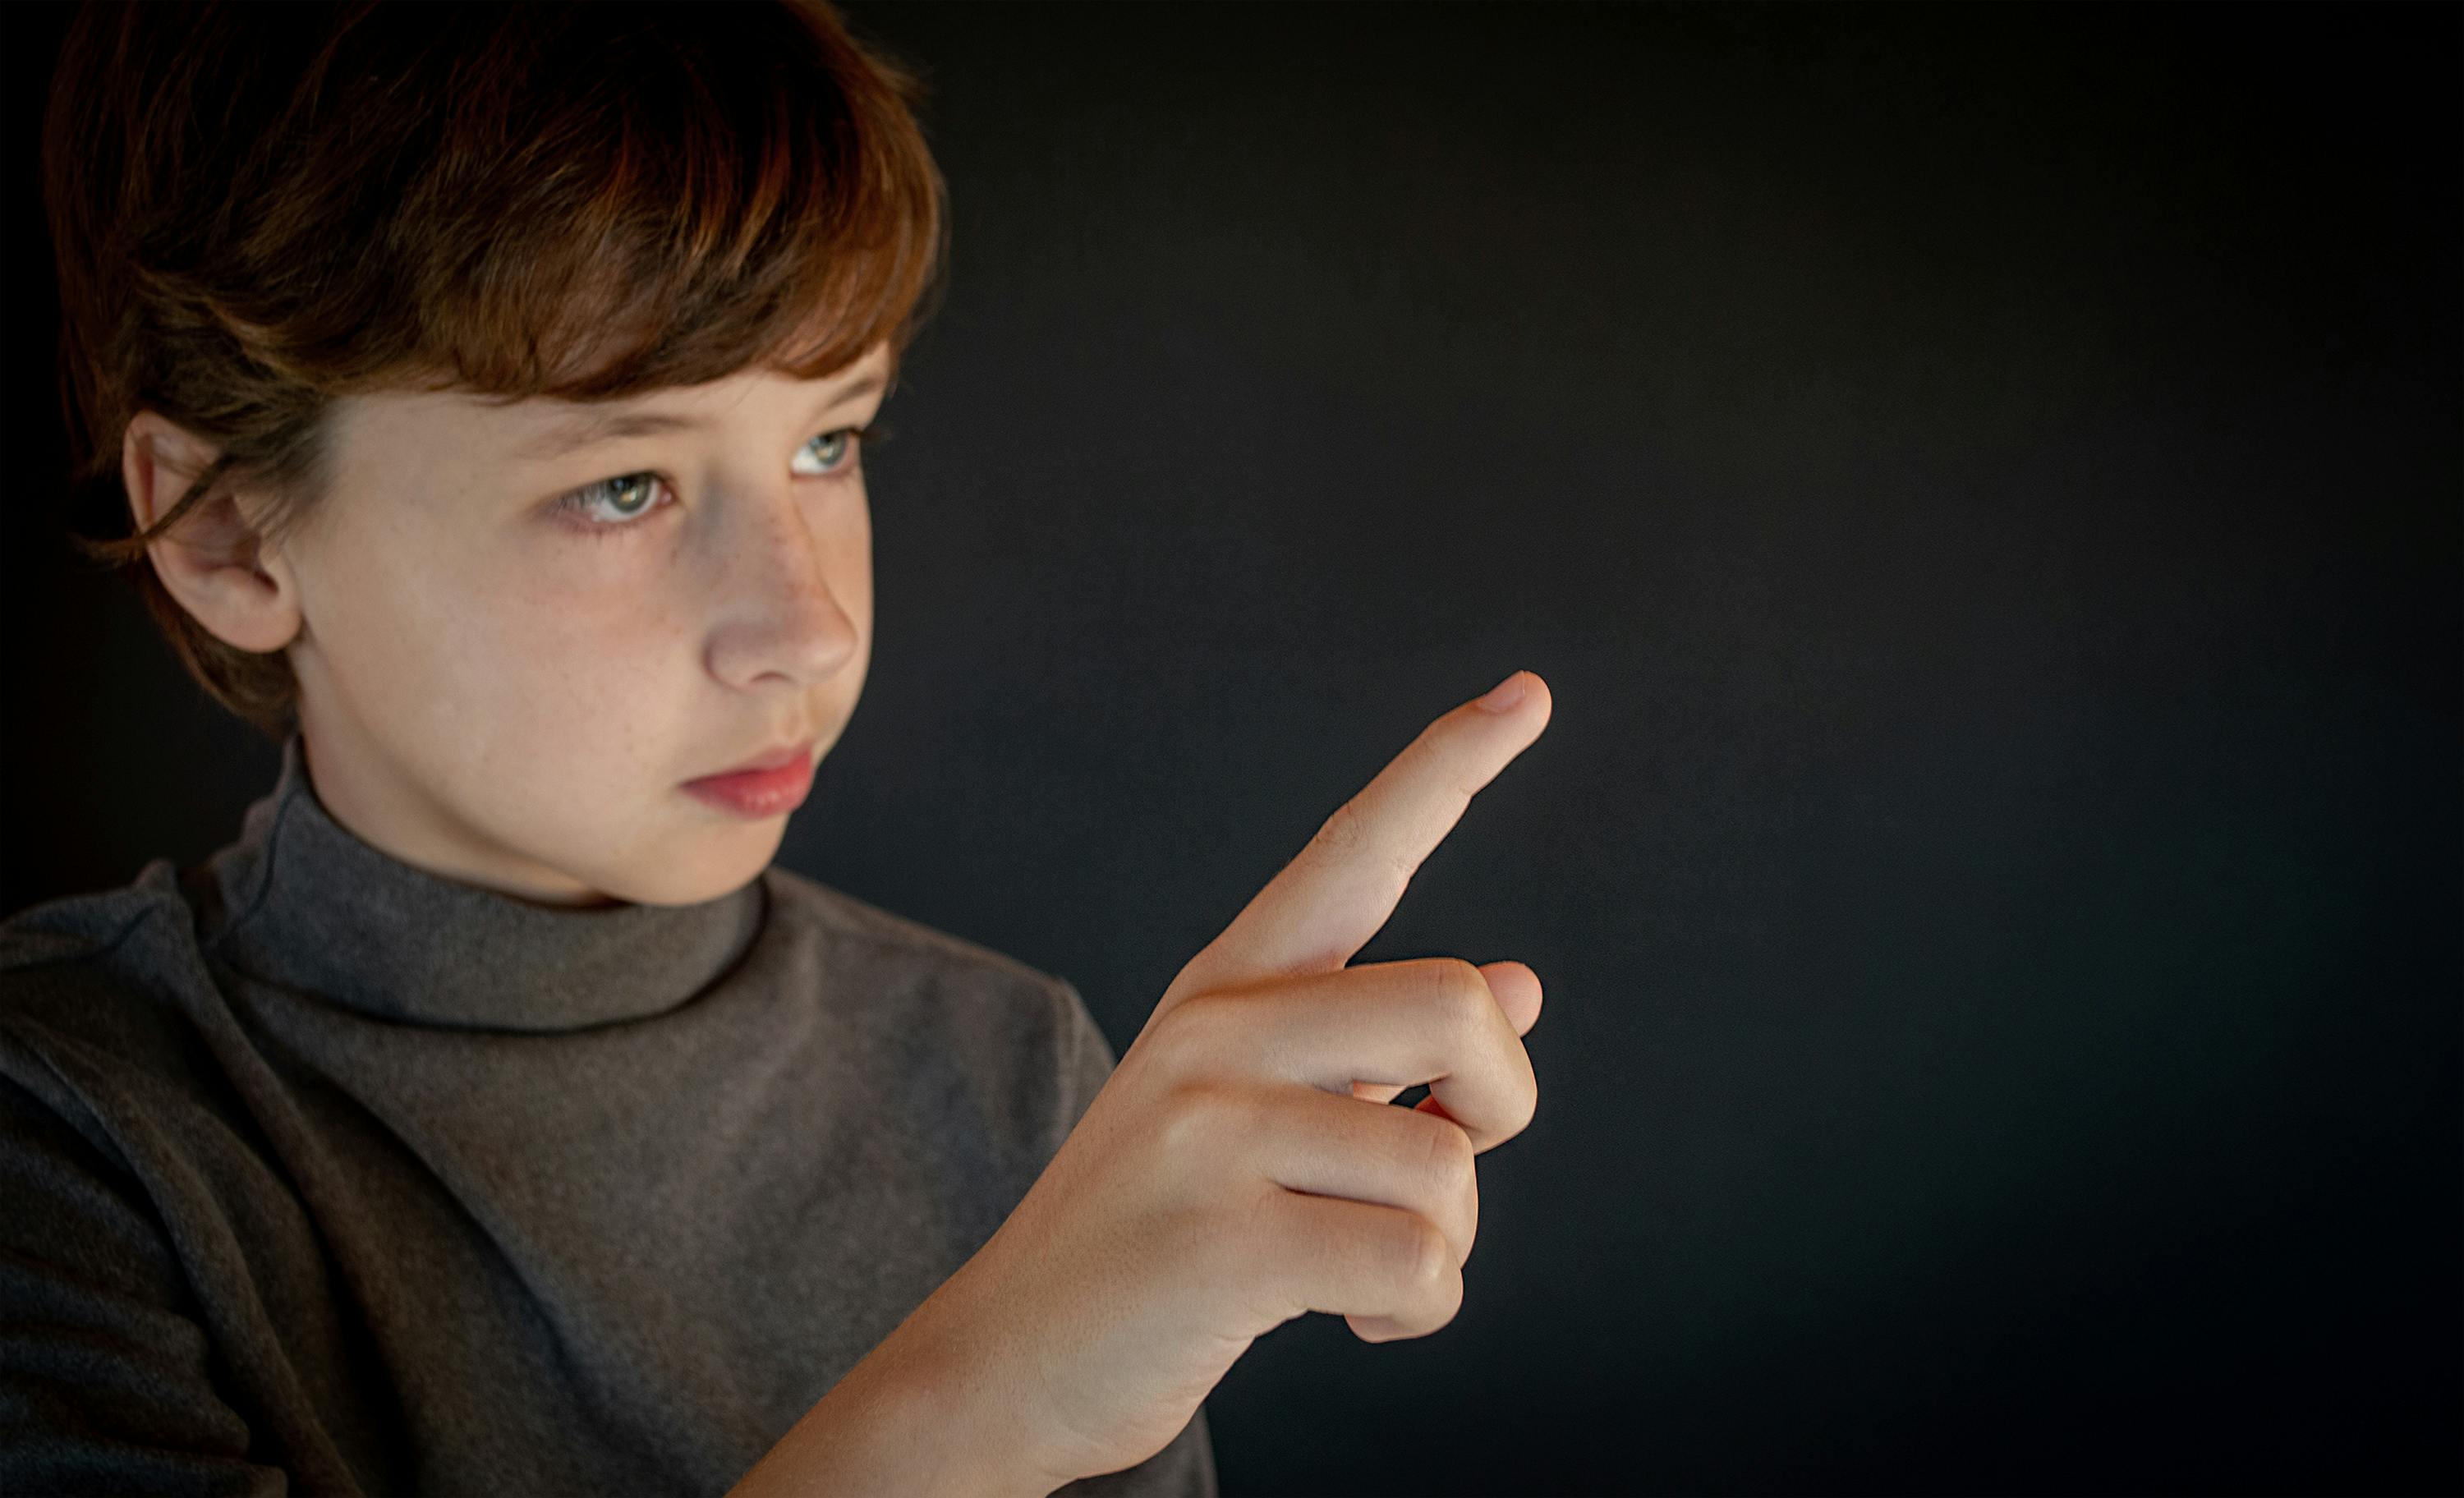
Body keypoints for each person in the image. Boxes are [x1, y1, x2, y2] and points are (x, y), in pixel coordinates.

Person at [0, 3, 1553, 1495]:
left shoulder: (1016, 1082)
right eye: (625, 485)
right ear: (225, 535)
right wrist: (987, 1398)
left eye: (829, 441)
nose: (805, 628)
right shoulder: (67, 1139)